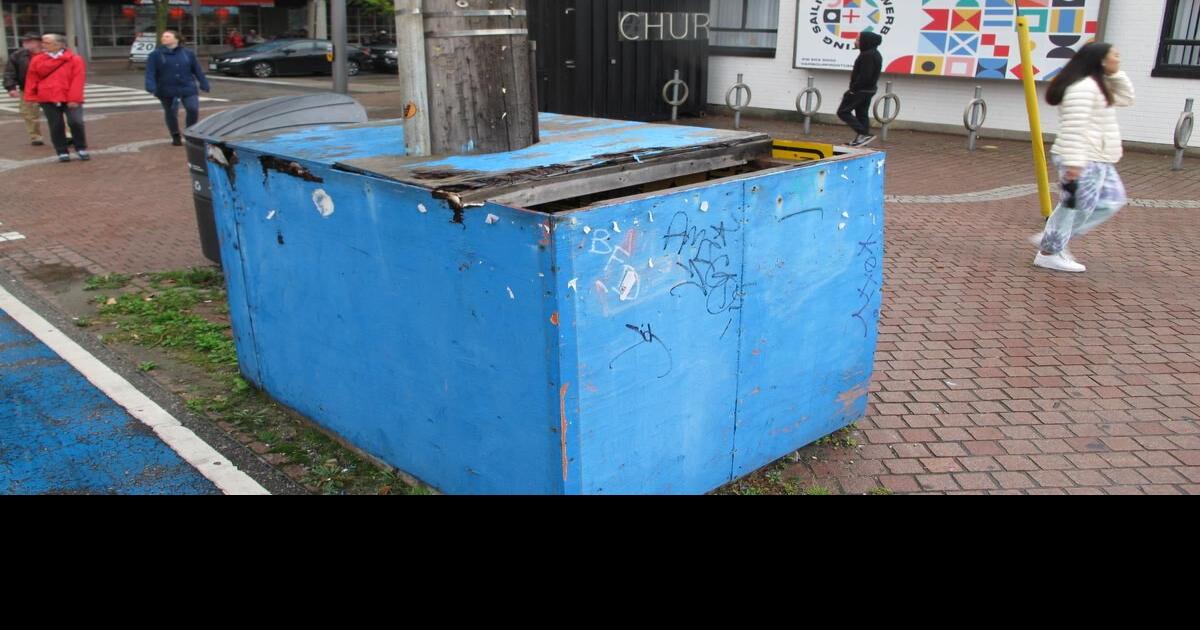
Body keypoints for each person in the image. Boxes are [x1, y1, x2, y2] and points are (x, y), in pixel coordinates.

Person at [1031, 43, 1134, 273]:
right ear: (1101, 60)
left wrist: (1116, 73)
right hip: (1083, 156)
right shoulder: (1083, 88)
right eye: (1115, 56)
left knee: (1110, 201)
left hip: (1099, 157)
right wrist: (1075, 163)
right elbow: (1073, 127)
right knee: (1075, 206)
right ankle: (1049, 252)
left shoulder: (1100, 85)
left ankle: (1052, 240)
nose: (1119, 58)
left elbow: (1127, 98)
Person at [23, 33, 88, 162]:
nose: (43, 45)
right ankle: (62, 151)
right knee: (55, 125)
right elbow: (32, 79)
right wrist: (31, 97)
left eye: (47, 43)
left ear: (58, 44)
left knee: (76, 122)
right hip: (47, 97)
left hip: (69, 96)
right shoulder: (37, 59)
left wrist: (74, 99)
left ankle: (81, 147)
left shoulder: (74, 59)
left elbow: (77, 80)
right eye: (43, 42)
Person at [145, 29, 211, 146]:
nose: (164, 38)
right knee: (171, 112)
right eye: (163, 36)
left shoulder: (187, 53)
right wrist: (150, 85)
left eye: (167, 36)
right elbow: (150, 72)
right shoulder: (155, 54)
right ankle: (175, 134)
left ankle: (190, 132)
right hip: (166, 88)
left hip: (187, 87)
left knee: (192, 109)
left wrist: (203, 82)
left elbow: (197, 70)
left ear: (176, 39)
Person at [836, 31, 883, 147]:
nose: (855, 42)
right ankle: (862, 140)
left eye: (858, 40)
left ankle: (863, 134)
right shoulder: (875, 54)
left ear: (865, 41)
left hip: (861, 90)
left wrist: (853, 89)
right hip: (869, 90)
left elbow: (865, 76)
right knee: (862, 114)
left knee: (843, 111)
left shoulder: (867, 55)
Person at [3, 32, 45, 146]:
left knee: (59, 113)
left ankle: (67, 135)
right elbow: (9, 72)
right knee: (29, 114)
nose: (25, 44)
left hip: (48, 88)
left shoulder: (49, 53)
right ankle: (35, 136)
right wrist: (11, 88)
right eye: (24, 41)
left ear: (39, 42)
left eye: (29, 41)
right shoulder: (17, 55)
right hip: (27, 88)